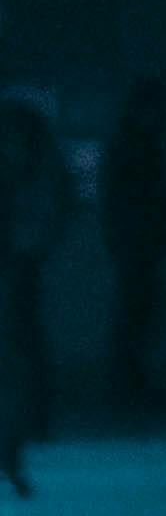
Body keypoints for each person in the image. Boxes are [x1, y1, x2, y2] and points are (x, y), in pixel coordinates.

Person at [0, 86, 70, 488]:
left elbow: (47, 205)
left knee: (18, 345)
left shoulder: (27, 150)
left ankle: (23, 430)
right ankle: (27, 428)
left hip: (16, 258)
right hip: (20, 257)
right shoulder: (32, 148)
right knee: (21, 344)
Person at [101, 75, 166, 413]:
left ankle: (128, 383)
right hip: (138, 245)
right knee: (136, 314)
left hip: (139, 245)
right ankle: (127, 385)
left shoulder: (138, 144)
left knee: (138, 314)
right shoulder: (136, 146)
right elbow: (134, 200)